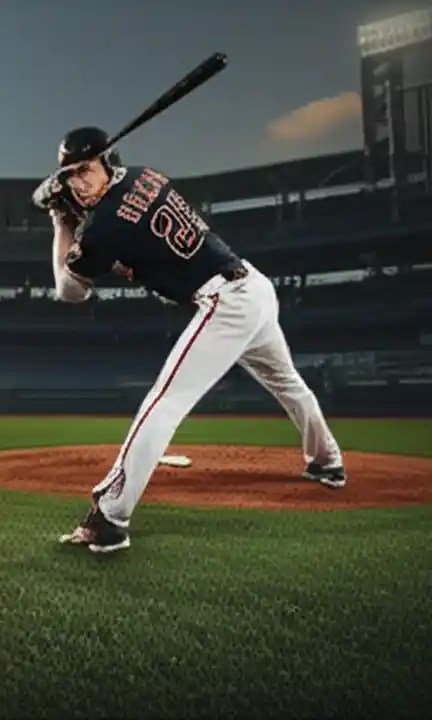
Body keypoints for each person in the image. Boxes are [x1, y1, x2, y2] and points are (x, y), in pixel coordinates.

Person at [33, 126, 345, 554]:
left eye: (85, 170)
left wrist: (60, 221)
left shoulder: (104, 225)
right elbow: (136, 235)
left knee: (163, 402)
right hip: (252, 285)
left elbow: (70, 291)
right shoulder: (145, 175)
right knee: (288, 382)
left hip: (227, 300)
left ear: (107, 162)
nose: (78, 183)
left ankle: (109, 518)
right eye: (70, 175)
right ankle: (328, 462)